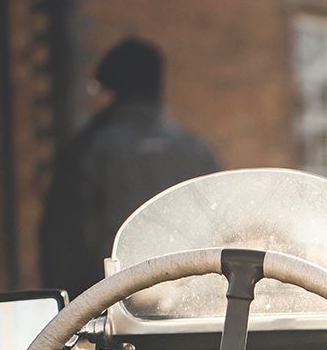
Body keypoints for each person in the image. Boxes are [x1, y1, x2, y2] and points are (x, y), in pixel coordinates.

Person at [39, 38, 221, 299]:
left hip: (113, 309)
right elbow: (219, 228)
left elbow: (64, 241)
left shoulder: (87, 149)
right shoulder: (195, 150)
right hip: (187, 306)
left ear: (110, 89)